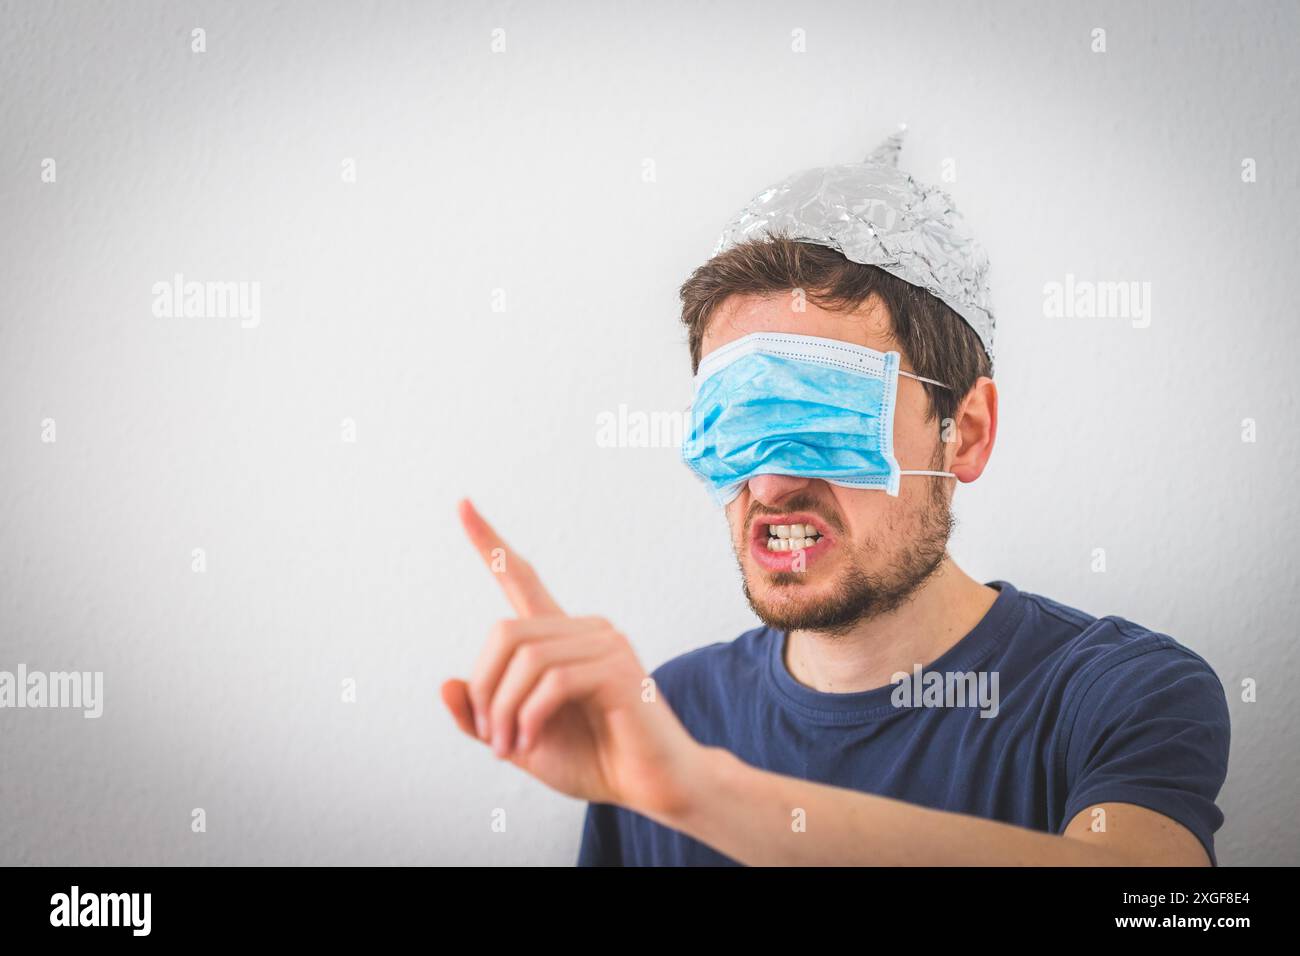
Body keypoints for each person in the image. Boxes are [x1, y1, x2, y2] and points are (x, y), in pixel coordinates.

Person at [439, 132, 1230, 866]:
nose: (773, 485)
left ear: (969, 432)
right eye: (739, 422)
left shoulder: (1116, 694)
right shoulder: (658, 713)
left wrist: (699, 792)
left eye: (822, 416)